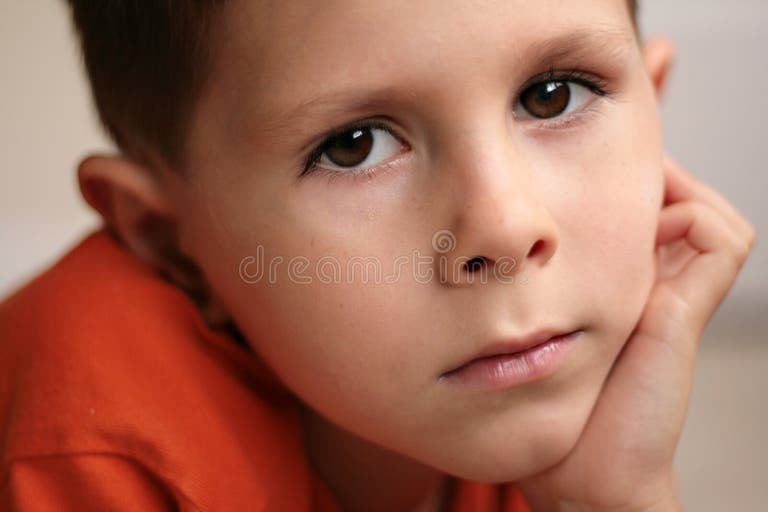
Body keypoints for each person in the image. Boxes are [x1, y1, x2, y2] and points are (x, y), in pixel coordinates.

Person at [0, 1, 756, 510]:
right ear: (171, 241)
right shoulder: (87, 454)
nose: (503, 227)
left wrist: (617, 499)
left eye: (552, 96)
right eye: (353, 146)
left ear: (654, 109)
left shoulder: (473, 387)